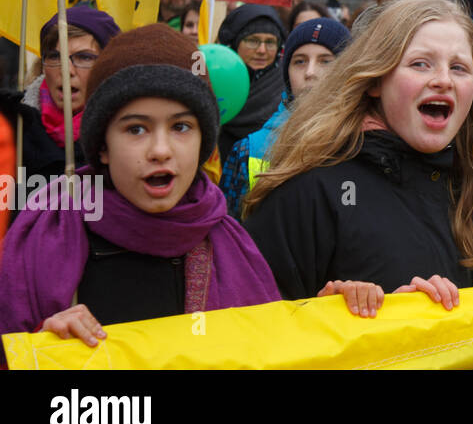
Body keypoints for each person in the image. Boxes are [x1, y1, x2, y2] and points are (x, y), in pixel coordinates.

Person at [0, 25, 279, 352]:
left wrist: (331, 315)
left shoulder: (234, 246)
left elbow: (273, 351)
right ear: (102, 146)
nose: (160, 150)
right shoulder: (43, 235)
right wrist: (42, 344)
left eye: (181, 127)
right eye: (136, 129)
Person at [243, 0, 473, 314]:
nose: (443, 80)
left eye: (459, 67)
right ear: (374, 81)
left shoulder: (472, 187)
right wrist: (329, 313)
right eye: (420, 64)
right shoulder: (311, 191)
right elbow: (249, 328)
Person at [220, 17, 351, 217]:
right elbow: (228, 236)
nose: (310, 73)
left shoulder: (368, 144)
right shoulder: (248, 150)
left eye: (326, 61)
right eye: (299, 61)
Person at [0, 6, 121, 179]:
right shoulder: (13, 127)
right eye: (55, 57)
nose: (66, 70)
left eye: (84, 57)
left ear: (109, 66)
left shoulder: (128, 134)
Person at [216, 4, 288, 165]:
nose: (262, 50)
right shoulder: (214, 82)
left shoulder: (288, 89)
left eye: (270, 42)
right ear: (234, 44)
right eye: (252, 41)